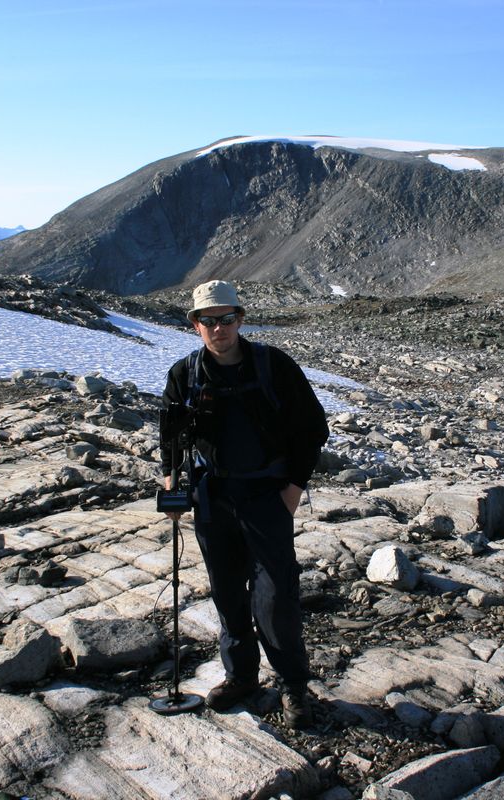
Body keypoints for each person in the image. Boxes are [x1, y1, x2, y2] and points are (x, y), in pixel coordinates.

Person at [160, 280, 329, 728]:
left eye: (227, 319)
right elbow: (172, 437)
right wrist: (172, 483)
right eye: (208, 321)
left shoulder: (274, 366)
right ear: (195, 324)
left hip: (265, 496)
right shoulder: (184, 375)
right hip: (212, 498)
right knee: (229, 593)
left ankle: (293, 684)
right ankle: (242, 677)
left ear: (240, 318)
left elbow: (312, 427)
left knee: (276, 598)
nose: (219, 328)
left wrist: (292, 489)